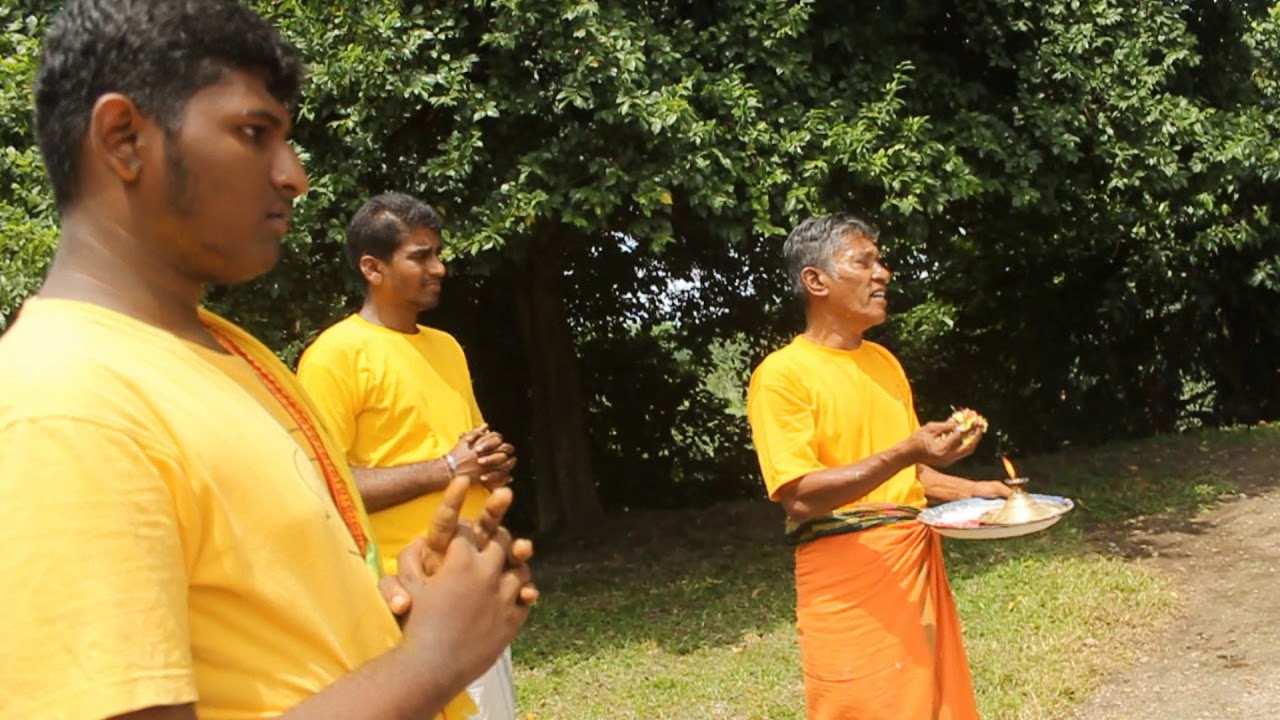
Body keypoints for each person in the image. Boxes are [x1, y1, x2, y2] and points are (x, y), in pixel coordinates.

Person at [0, 2, 534, 719]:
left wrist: (393, 610)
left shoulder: (229, 355)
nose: (295, 176)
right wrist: (428, 664)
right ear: (123, 138)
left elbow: (267, 649)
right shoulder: (63, 403)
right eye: (255, 133)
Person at [746, 214, 1012, 720]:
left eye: (880, 260)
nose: (883, 273)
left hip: (912, 565)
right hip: (849, 582)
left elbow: (907, 479)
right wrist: (907, 452)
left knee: (935, 706)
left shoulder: (884, 363)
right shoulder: (782, 375)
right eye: (863, 262)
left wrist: (979, 493)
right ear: (816, 280)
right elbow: (799, 496)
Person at [296, 192, 519, 719]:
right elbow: (323, 489)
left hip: (470, 586)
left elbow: (466, 453)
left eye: (438, 253)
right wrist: (446, 468)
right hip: (399, 600)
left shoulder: (447, 348)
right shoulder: (334, 356)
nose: (438, 268)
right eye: (420, 256)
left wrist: (489, 464)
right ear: (372, 267)